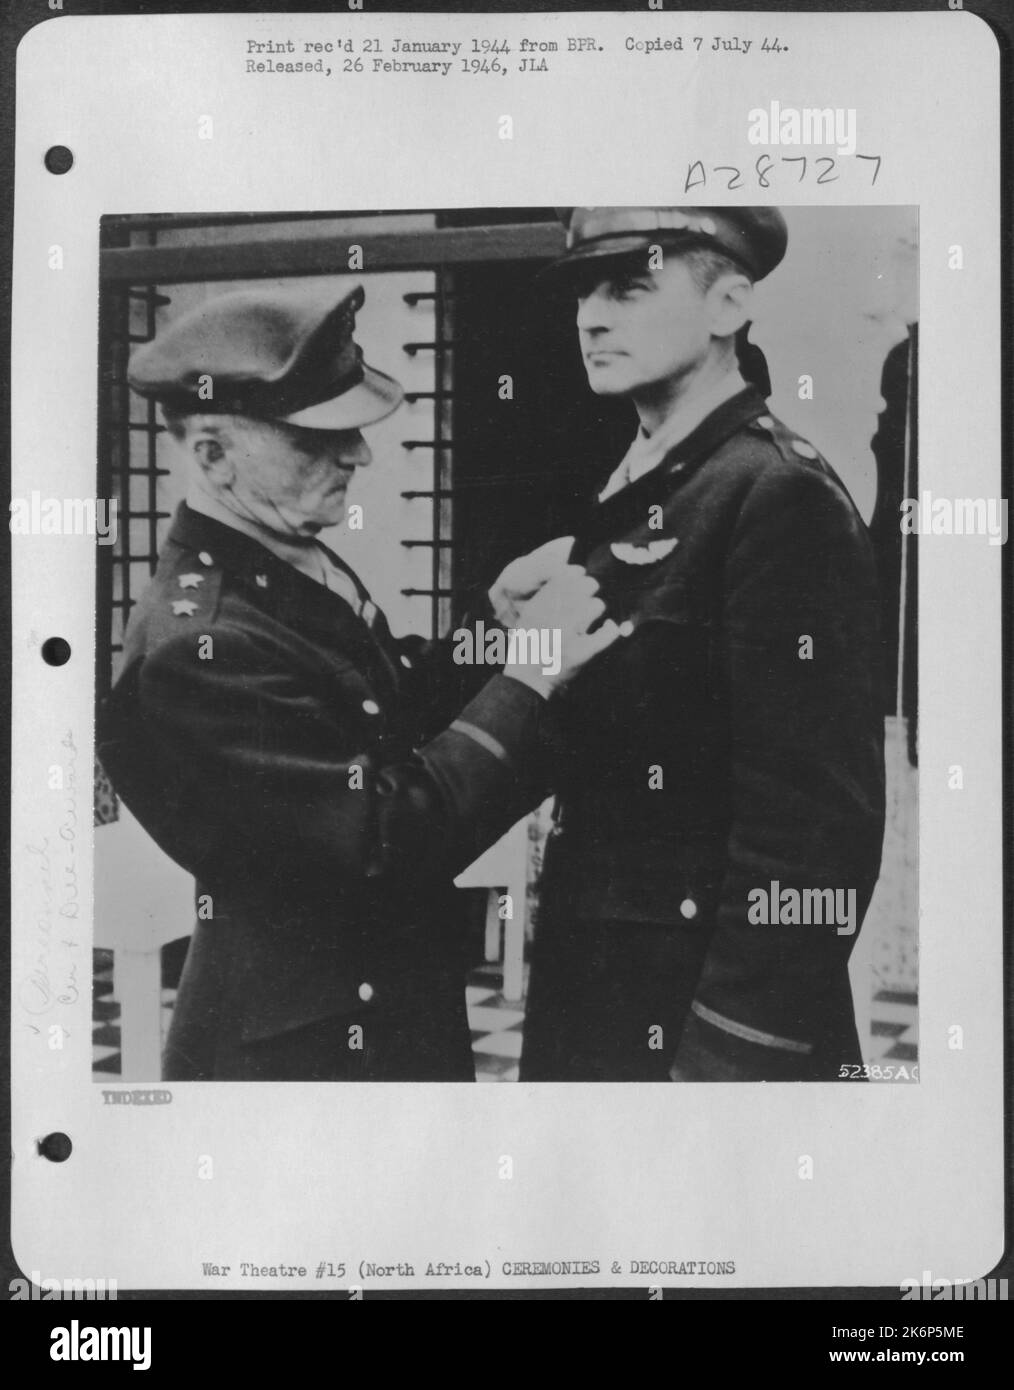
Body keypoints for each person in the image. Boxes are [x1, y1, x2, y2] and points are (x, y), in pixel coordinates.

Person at [97, 282, 621, 1082]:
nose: (360, 456)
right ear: (211, 454)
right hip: (297, 1059)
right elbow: (381, 838)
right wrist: (531, 680)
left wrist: (499, 626)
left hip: (371, 1013)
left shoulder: (281, 559)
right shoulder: (195, 650)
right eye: (318, 439)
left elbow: (384, 708)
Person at [516, 206, 886, 1082]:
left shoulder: (774, 494)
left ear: (729, 304)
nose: (590, 316)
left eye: (629, 287)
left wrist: (730, 1060)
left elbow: (813, 832)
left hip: (699, 1024)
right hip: (602, 994)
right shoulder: (644, 481)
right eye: (583, 293)